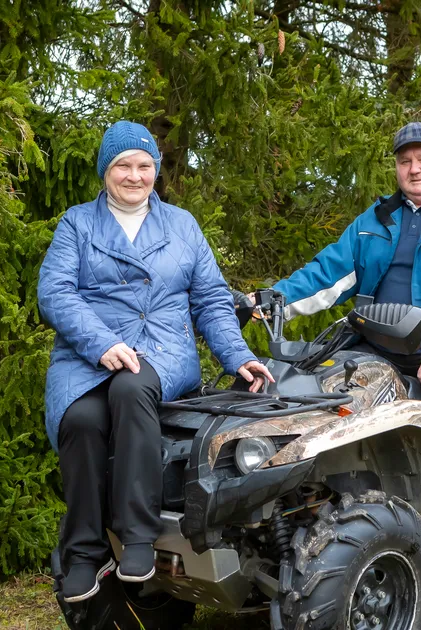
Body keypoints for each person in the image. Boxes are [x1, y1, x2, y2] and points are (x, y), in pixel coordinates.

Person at [38, 121, 274, 603]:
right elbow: (55, 293)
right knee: (80, 420)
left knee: (132, 387)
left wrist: (238, 356)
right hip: (88, 356)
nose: (134, 176)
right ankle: (84, 551)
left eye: (144, 165)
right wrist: (101, 343)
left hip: (161, 350)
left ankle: (138, 535)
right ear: (105, 171)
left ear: (156, 170)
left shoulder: (182, 225)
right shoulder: (77, 224)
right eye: (122, 165)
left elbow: (211, 300)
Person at [269, 122, 421, 495]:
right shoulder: (377, 219)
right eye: (405, 161)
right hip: (381, 345)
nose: (414, 169)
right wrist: (273, 300)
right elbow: (328, 273)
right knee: (323, 385)